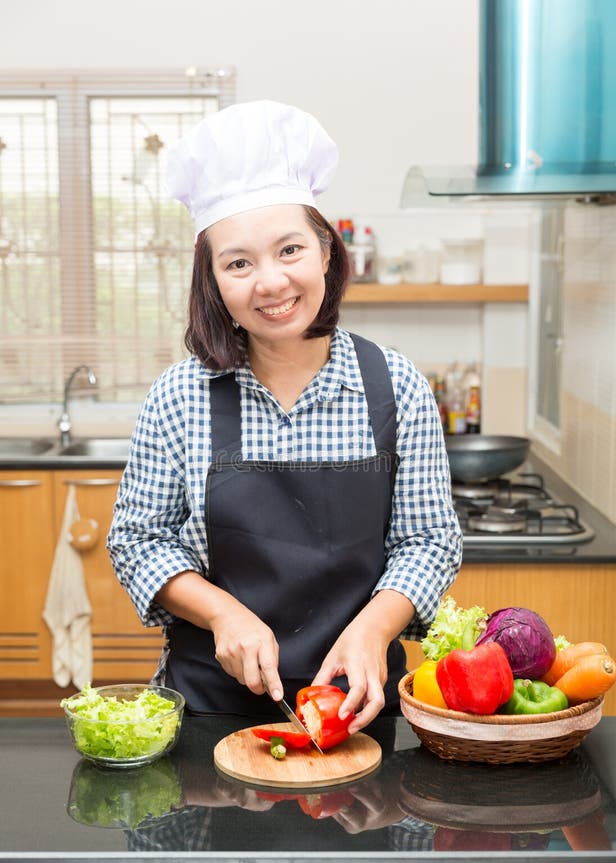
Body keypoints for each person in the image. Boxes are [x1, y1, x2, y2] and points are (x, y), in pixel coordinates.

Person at [107, 99, 462, 732]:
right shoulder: (179, 396)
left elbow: (429, 541)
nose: (270, 282)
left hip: (359, 705)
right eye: (238, 262)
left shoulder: (394, 385)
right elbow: (136, 541)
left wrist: (374, 629)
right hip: (209, 707)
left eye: (289, 249)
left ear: (326, 250)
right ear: (213, 282)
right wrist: (223, 614)